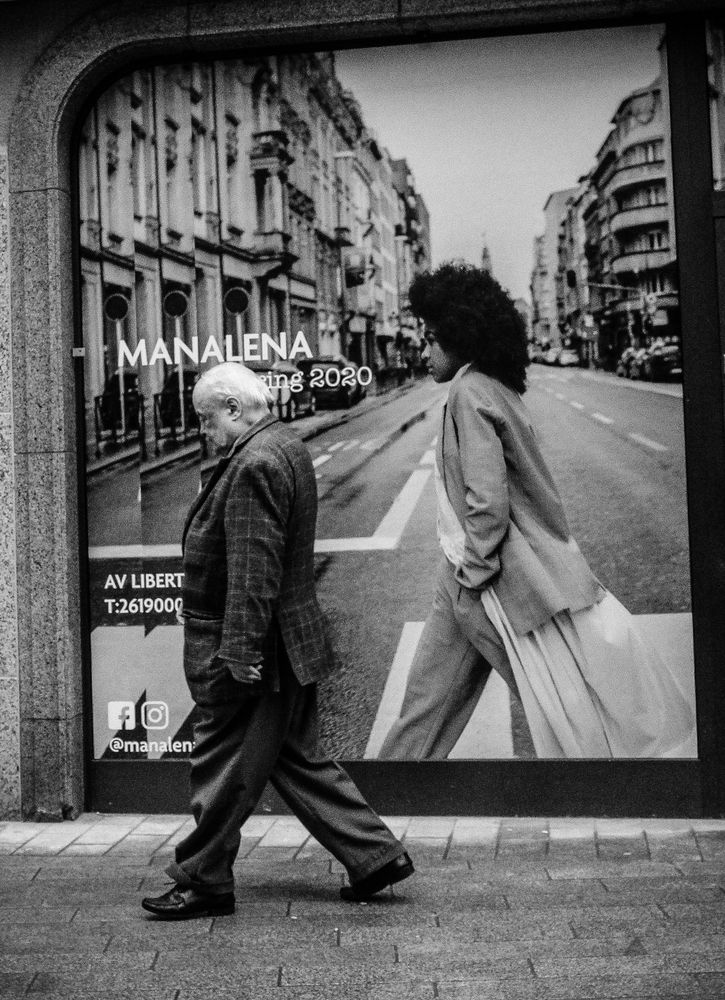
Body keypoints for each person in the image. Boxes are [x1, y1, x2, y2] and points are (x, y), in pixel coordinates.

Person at [378, 262, 694, 761]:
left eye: (431, 338)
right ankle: (388, 797)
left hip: (492, 578)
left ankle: (605, 784)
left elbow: (488, 502)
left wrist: (473, 575)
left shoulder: (468, 392)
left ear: (459, 336)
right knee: (430, 703)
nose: (424, 350)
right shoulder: (494, 386)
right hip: (466, 572)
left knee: (554, 698)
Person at [142, 362, 413, 919]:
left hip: (255, 653)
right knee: (295, 759)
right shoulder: (283, 445)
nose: (202, 429)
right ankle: (375, 855)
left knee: (221, 767)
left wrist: (238, 653)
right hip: (287, 641)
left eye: (206, 418)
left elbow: (253, 569)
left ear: (235, 410)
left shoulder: (254, 463)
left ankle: (203, 878)